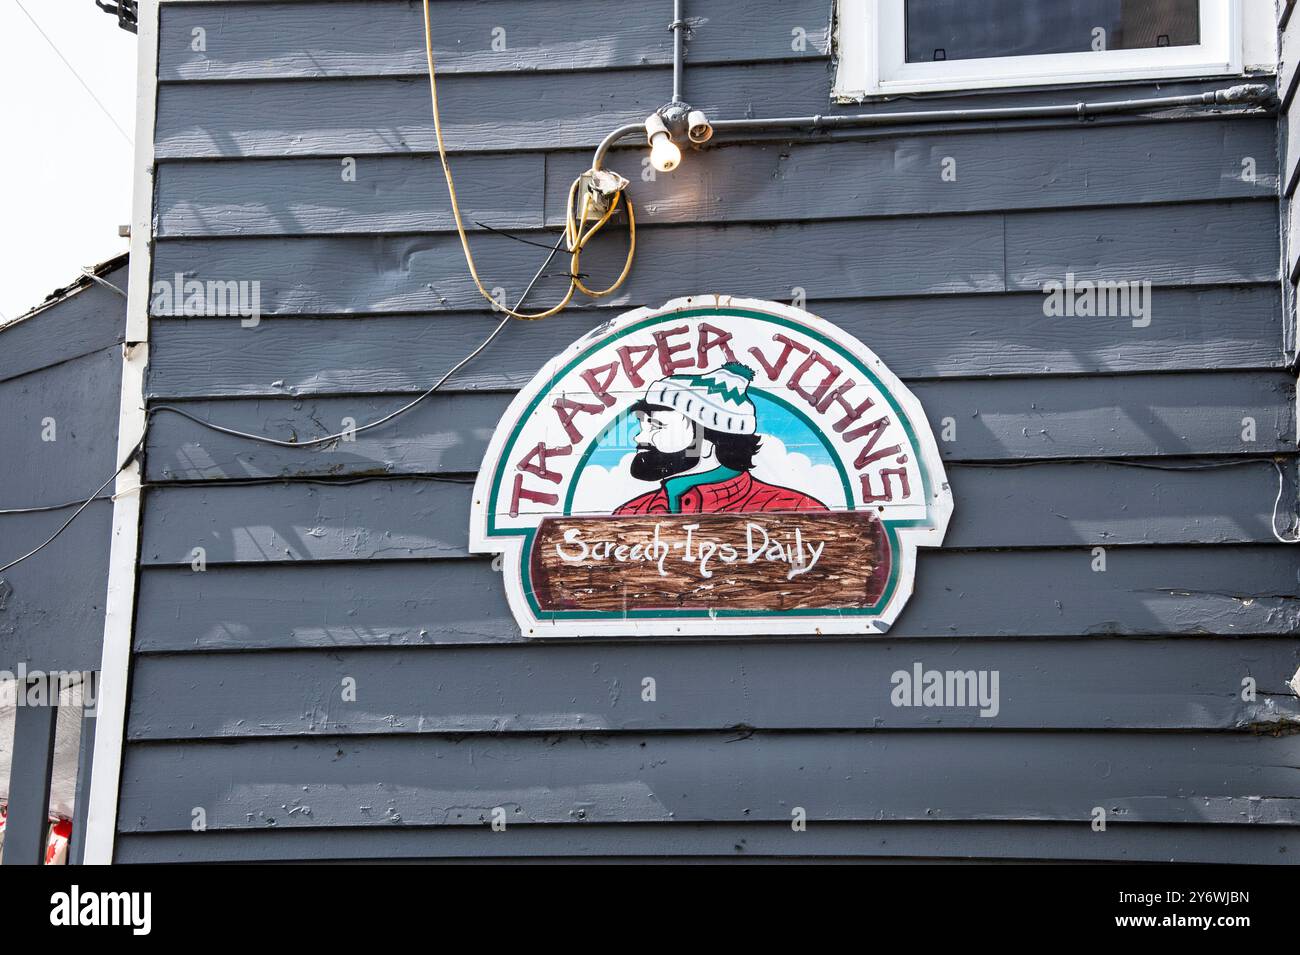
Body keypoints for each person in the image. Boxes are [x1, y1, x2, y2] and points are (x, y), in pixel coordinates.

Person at [614, 362, 827, 515]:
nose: (640, 436)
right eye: (642, 425)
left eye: (657, 425)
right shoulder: (630, 514)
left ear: (706, 441)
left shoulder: (794, 510)